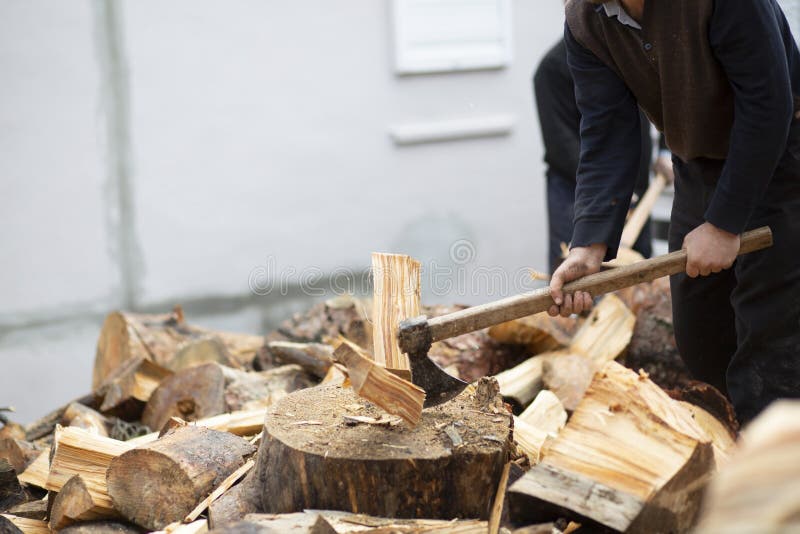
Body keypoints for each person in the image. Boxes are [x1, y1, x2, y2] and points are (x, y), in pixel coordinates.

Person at [549, 0, 800, 423]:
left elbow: (767, 102)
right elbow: (606, 132)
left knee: (772, 346)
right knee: (700, 338)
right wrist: (587, 246)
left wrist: (723, 223)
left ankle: (774, 471)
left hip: (782, 161)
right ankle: (733, 446)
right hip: (697, 168)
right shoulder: (585, 20)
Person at [533, 37, 672, 273]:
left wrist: (665, 150)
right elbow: (561, 144)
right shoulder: (552, 68)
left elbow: (664, 100)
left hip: (634, 185)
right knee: (577, 282)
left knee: (640, 277)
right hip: (576, 192)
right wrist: (607, 192)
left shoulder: (628, 52)